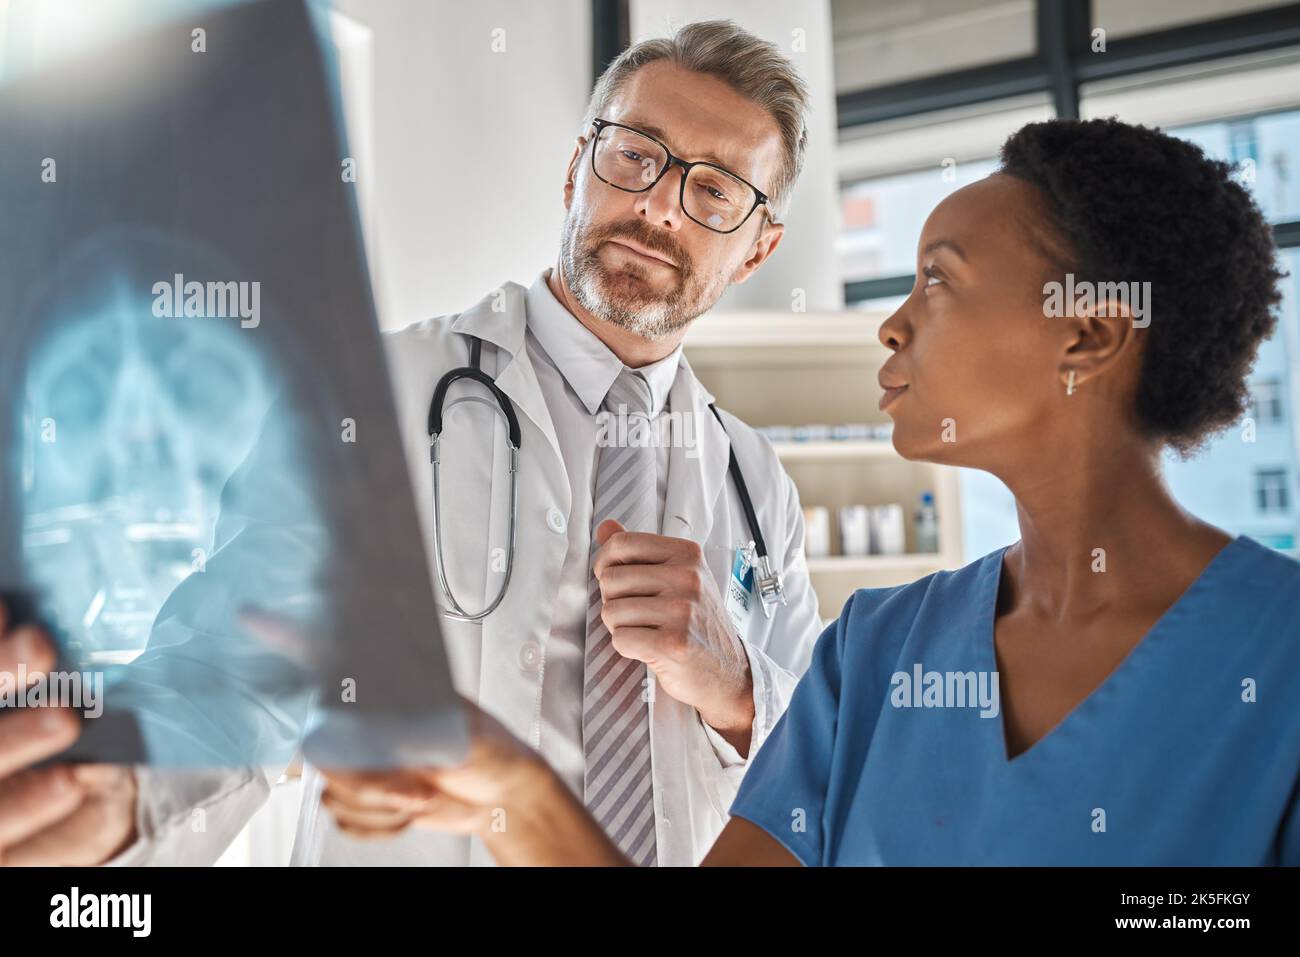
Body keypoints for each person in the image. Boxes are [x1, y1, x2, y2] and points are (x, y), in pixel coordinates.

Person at [323, 117, 1300, 866]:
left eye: (938, 282)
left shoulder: (1279, 659)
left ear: (1085, 334)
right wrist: (517, 793)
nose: (891, 326)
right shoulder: (875, 653)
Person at [0, 19, 825, 867]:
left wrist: (736, 688)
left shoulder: (757, 485)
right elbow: (241, 655)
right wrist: (131, 783)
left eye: (715, 189)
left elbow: (825, 759)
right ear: (578, 165)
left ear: (759, 248)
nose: (656, 202)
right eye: (635, 153)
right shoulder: (377, 393)